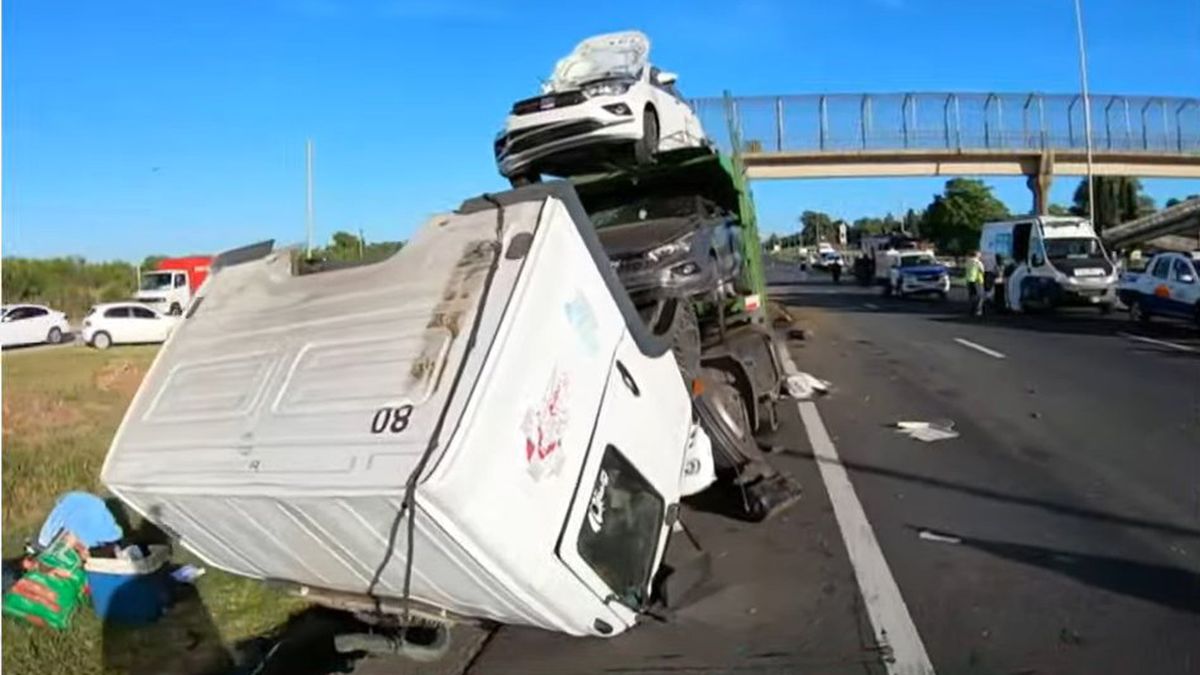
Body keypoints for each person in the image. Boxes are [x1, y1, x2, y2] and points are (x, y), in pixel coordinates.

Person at [964, 250, 985, 317]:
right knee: (980, 296)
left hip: (969, 280)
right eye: (979, 254)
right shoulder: (977, 262)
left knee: (972, 295)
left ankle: (972, 309)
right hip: (977, 280)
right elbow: (982, 270)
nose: (980, 255)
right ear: (976, 255)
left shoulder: (967, 262)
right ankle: (978, 310)